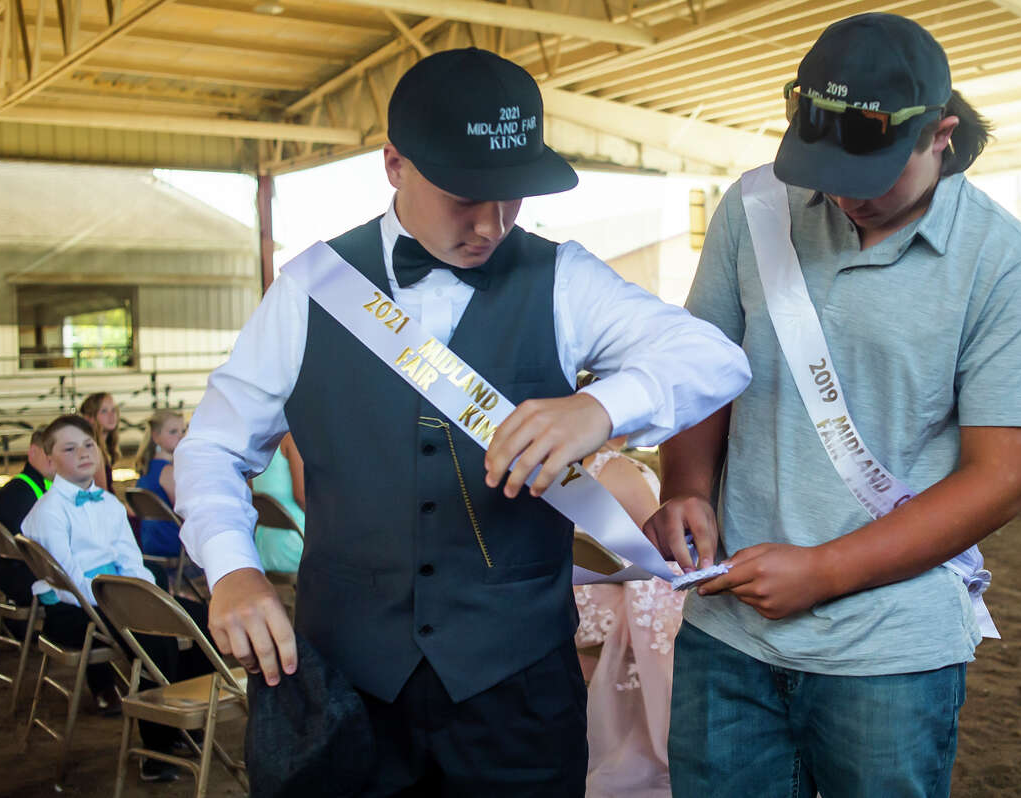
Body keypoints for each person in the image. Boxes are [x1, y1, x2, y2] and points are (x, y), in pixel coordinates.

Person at [175, 47, 751, 796]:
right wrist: (233, 569)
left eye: (511, 198)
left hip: (520, 695)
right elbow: (213, 448)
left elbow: (715, 360)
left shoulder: (564, 278)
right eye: (465, 197)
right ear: (394, 165)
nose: (490, 225)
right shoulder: (309, 290)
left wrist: (600, 406)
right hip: (344, 683)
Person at [643, 13, 1021, 797]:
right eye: (823, 170)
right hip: (729, 629)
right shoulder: (755, 209)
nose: (842, 195)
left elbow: (1003, 478)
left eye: (869, 175)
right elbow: (703, 367)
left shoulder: (1004, 263)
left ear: (940, 135)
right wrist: (687, 488)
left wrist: (825, 570)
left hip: (890, 651)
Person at [21, 415, 212, 783]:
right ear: (50, 459)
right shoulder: (49, 511)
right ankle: (155, 751)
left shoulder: (109, 503)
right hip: (73, 607)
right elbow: (68, 580)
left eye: (88, 445)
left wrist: (147, 597)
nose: (82, 453)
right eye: (69, 448)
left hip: (118, 596)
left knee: (199, 620)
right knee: (154, 639)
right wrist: (126, 606)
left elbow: (132, 561)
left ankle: (184, 719)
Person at [573, 435, 684, 798]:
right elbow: (662, 553)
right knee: (681, 592)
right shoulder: (617, 469)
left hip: (572, 604)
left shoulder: (560, 469)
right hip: (606, 606)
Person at [0, 426, 55, 606]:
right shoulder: (18, 494)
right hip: (29, 578)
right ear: (33, 452)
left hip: (22, 574)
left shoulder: (36, 486)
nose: (55, 458)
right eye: (48, 452)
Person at [251, 433, 305, 573]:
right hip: (296, 544)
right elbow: (301, 497)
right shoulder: (291, 437)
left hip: (261, 547)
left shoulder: (256, 440)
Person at [134, 410, 185, 557]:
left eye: (183, 430)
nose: (181, 436)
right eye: (173, 432)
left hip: (150, 545)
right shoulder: (168, 472)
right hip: (174, 546)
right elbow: (185, 511)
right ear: (156, 437)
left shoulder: (145, 470)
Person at [79, 392, 120, 492]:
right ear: (89, 417)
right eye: (104, 411)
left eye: (113, 410)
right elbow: (101, 493)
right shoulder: (92, 450)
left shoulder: (106, 448)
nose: (111, 415)